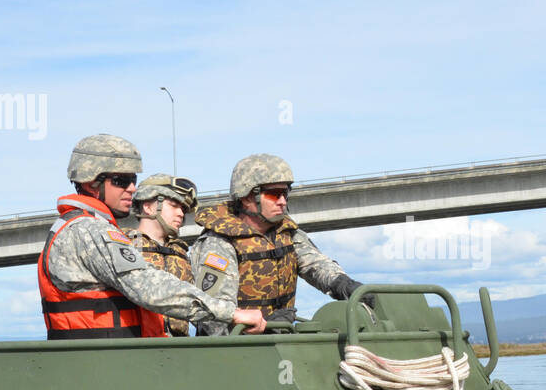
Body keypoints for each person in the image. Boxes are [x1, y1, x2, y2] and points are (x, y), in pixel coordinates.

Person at [37, 135, 236, 340]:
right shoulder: (87, 229)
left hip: (107, 358)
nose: (132, 188)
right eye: (120, 181)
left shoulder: (81, 226)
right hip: (101, 360)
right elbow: (148, 286)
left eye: (133, 180)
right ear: (91, 183)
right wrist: (229, 313)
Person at [191, 153, 367, 335]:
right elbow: (212, 314)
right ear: (247, 197)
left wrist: (345, 285)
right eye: (274, 194)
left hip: (279, 340)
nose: (282, 201)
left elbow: (316, 265)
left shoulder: (288, 233)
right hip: (234, 349)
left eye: (285, 193)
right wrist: (261, 327)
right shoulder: (219, 242)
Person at [125, 173, 198, 337]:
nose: (181, 213)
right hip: (137, 343)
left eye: (183, 209)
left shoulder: (181, 252)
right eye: (174, 205)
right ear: (149, 206)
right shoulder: (123, 245)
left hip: (179, 346)